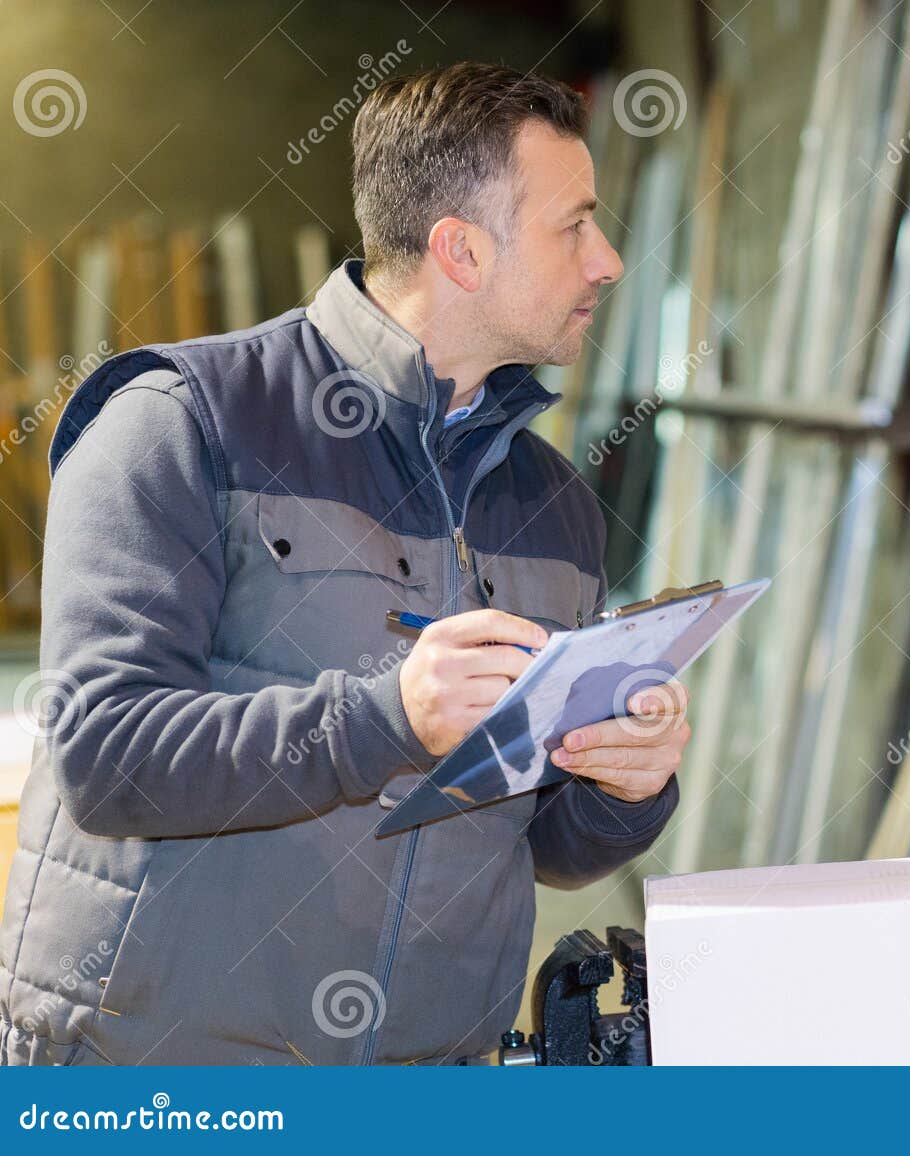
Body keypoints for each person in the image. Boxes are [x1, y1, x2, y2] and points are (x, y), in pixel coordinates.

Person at [0, 62, 690, 1065]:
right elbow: (103, 755)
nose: (609, 260)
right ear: (461, 250)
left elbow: (545, 844)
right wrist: (383, 718)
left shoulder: (553, 506)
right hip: (166, 1074)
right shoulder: (183, 422)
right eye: (574, 226)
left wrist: (624, 786)